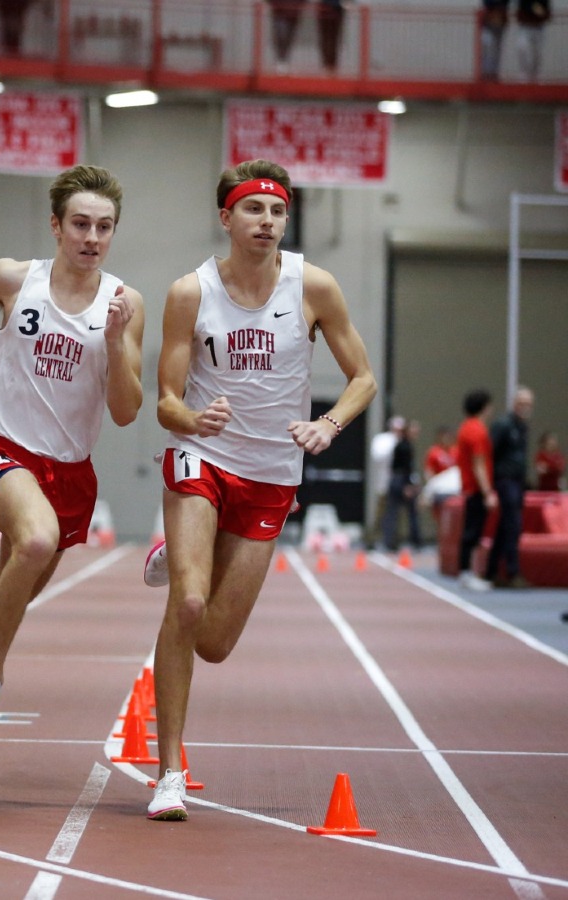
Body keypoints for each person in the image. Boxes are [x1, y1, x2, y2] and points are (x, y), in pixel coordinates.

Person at [140, 159, 376, 821]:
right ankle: (169, 773)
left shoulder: (313, 286)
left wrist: (329, 424)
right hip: (202, 459)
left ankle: (185, 553)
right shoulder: (191, 292)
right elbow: (164, 402)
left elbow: (364, 378)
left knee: (214, 641)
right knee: (188, 605)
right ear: (226, 217)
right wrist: (194, 418)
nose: (266, 222)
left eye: (276, 212)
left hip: (272, 474)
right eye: (252, 210)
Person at [0, 165, 144, 798]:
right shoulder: (17, 279)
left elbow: (125, 411)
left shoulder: (125, 303)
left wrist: (118, 344)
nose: (92, 237)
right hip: (3, 452)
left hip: (70, 473)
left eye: (104, 227)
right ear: (56, 226)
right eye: (80, 225)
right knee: (35, 542)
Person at [484, 386, 532, 587]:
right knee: (513, 525)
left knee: (506, 527)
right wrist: (490, 485)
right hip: (505, 481)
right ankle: (512, 572)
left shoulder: (523, 427)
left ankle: (492, 570)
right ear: (514, 403)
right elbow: (490, 452)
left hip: (518, 482)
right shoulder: (504, 425)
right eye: (521, 403)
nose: (525, 407)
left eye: (528, 404)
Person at [455, 388, 497, 591]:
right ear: (484, 407)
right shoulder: (477, 430)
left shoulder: (466, 427)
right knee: (473, 532)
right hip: (475, 488)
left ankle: (467, 572)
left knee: (471, 531)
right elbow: (479, 463)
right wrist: (488, 492)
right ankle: (467, 573)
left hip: (470, 487)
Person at [381, 418, 422, 551]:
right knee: (409, 513)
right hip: (402, 480)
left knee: (393, 512)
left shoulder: (400, 445)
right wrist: (408, 485)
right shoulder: (406, 447)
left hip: (397, 479)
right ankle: (414, 541)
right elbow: (406, 468)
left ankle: (390, 542)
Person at [366, 416, 403, 550]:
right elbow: (377, 456)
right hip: (383, 482)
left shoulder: (402, 442)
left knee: (395, 514)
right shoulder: (383, 440)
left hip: (398, 484)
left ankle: (392, 541)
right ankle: (371, 540)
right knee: (380, 513)